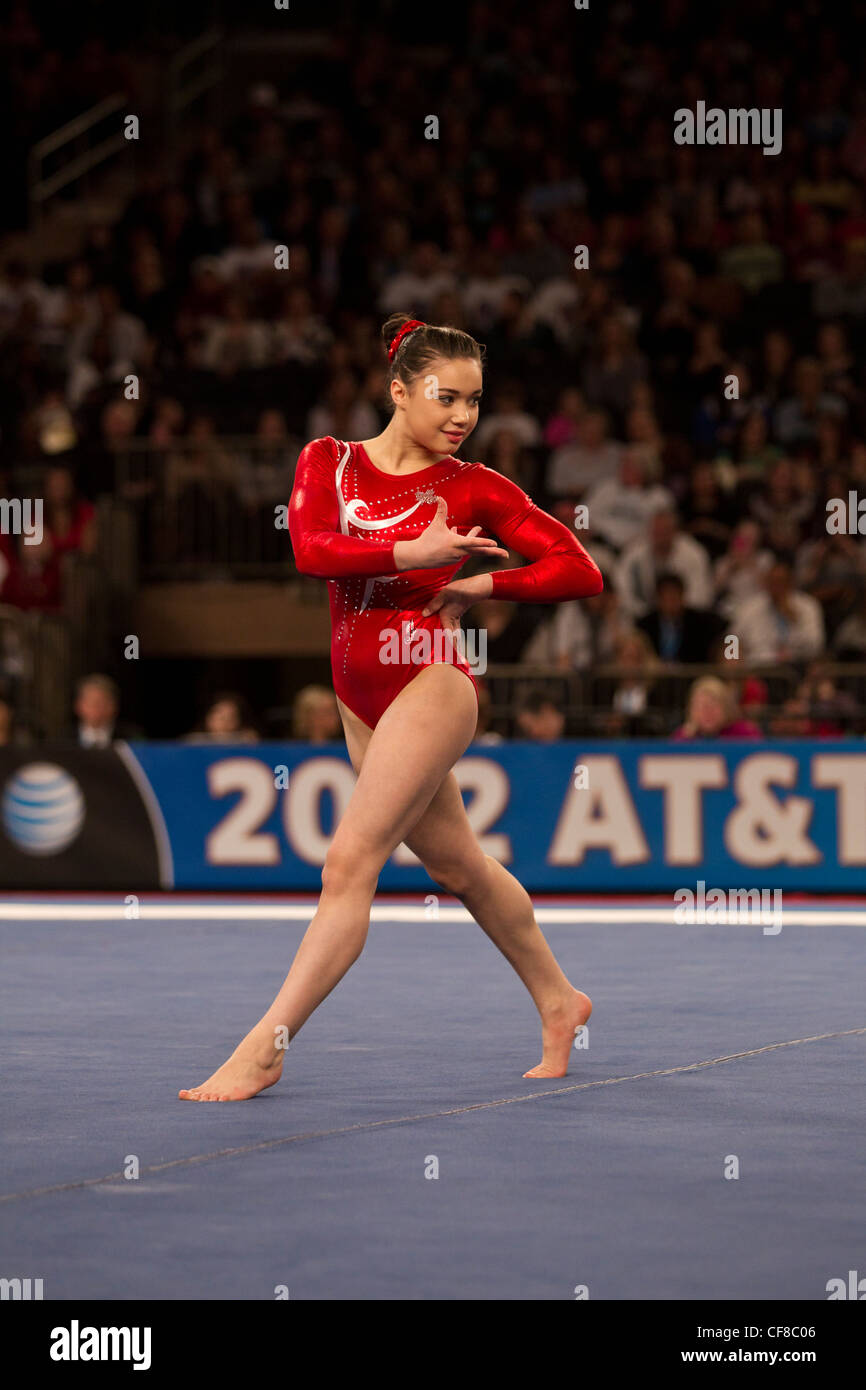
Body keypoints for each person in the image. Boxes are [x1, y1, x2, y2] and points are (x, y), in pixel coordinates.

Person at [180, 313, 603, 1102]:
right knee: (457, 864)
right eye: (448, 398)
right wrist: (412, 553)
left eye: (475, 402)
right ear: (399, 389)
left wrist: (486, 582)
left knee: (348, 865)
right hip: (357, 694)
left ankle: (265, 1048)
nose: (464, 418)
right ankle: (559, 999)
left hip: (429, 680)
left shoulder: (475, 486)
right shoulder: (328, 461)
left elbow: (581, 570)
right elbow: (310, 549)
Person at [673, 677, 761, 740]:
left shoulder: (744, 734)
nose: (707, 712)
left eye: (713, 706)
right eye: (702, 707)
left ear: (726, 707)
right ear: (692, 710)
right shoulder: (684, 737)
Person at [69, 674, 142, 746]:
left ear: (114, 706)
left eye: (103, 703)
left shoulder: (132, 737)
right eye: (91, 703)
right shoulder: (63, 738)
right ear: (78, 706)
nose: (97, 709)